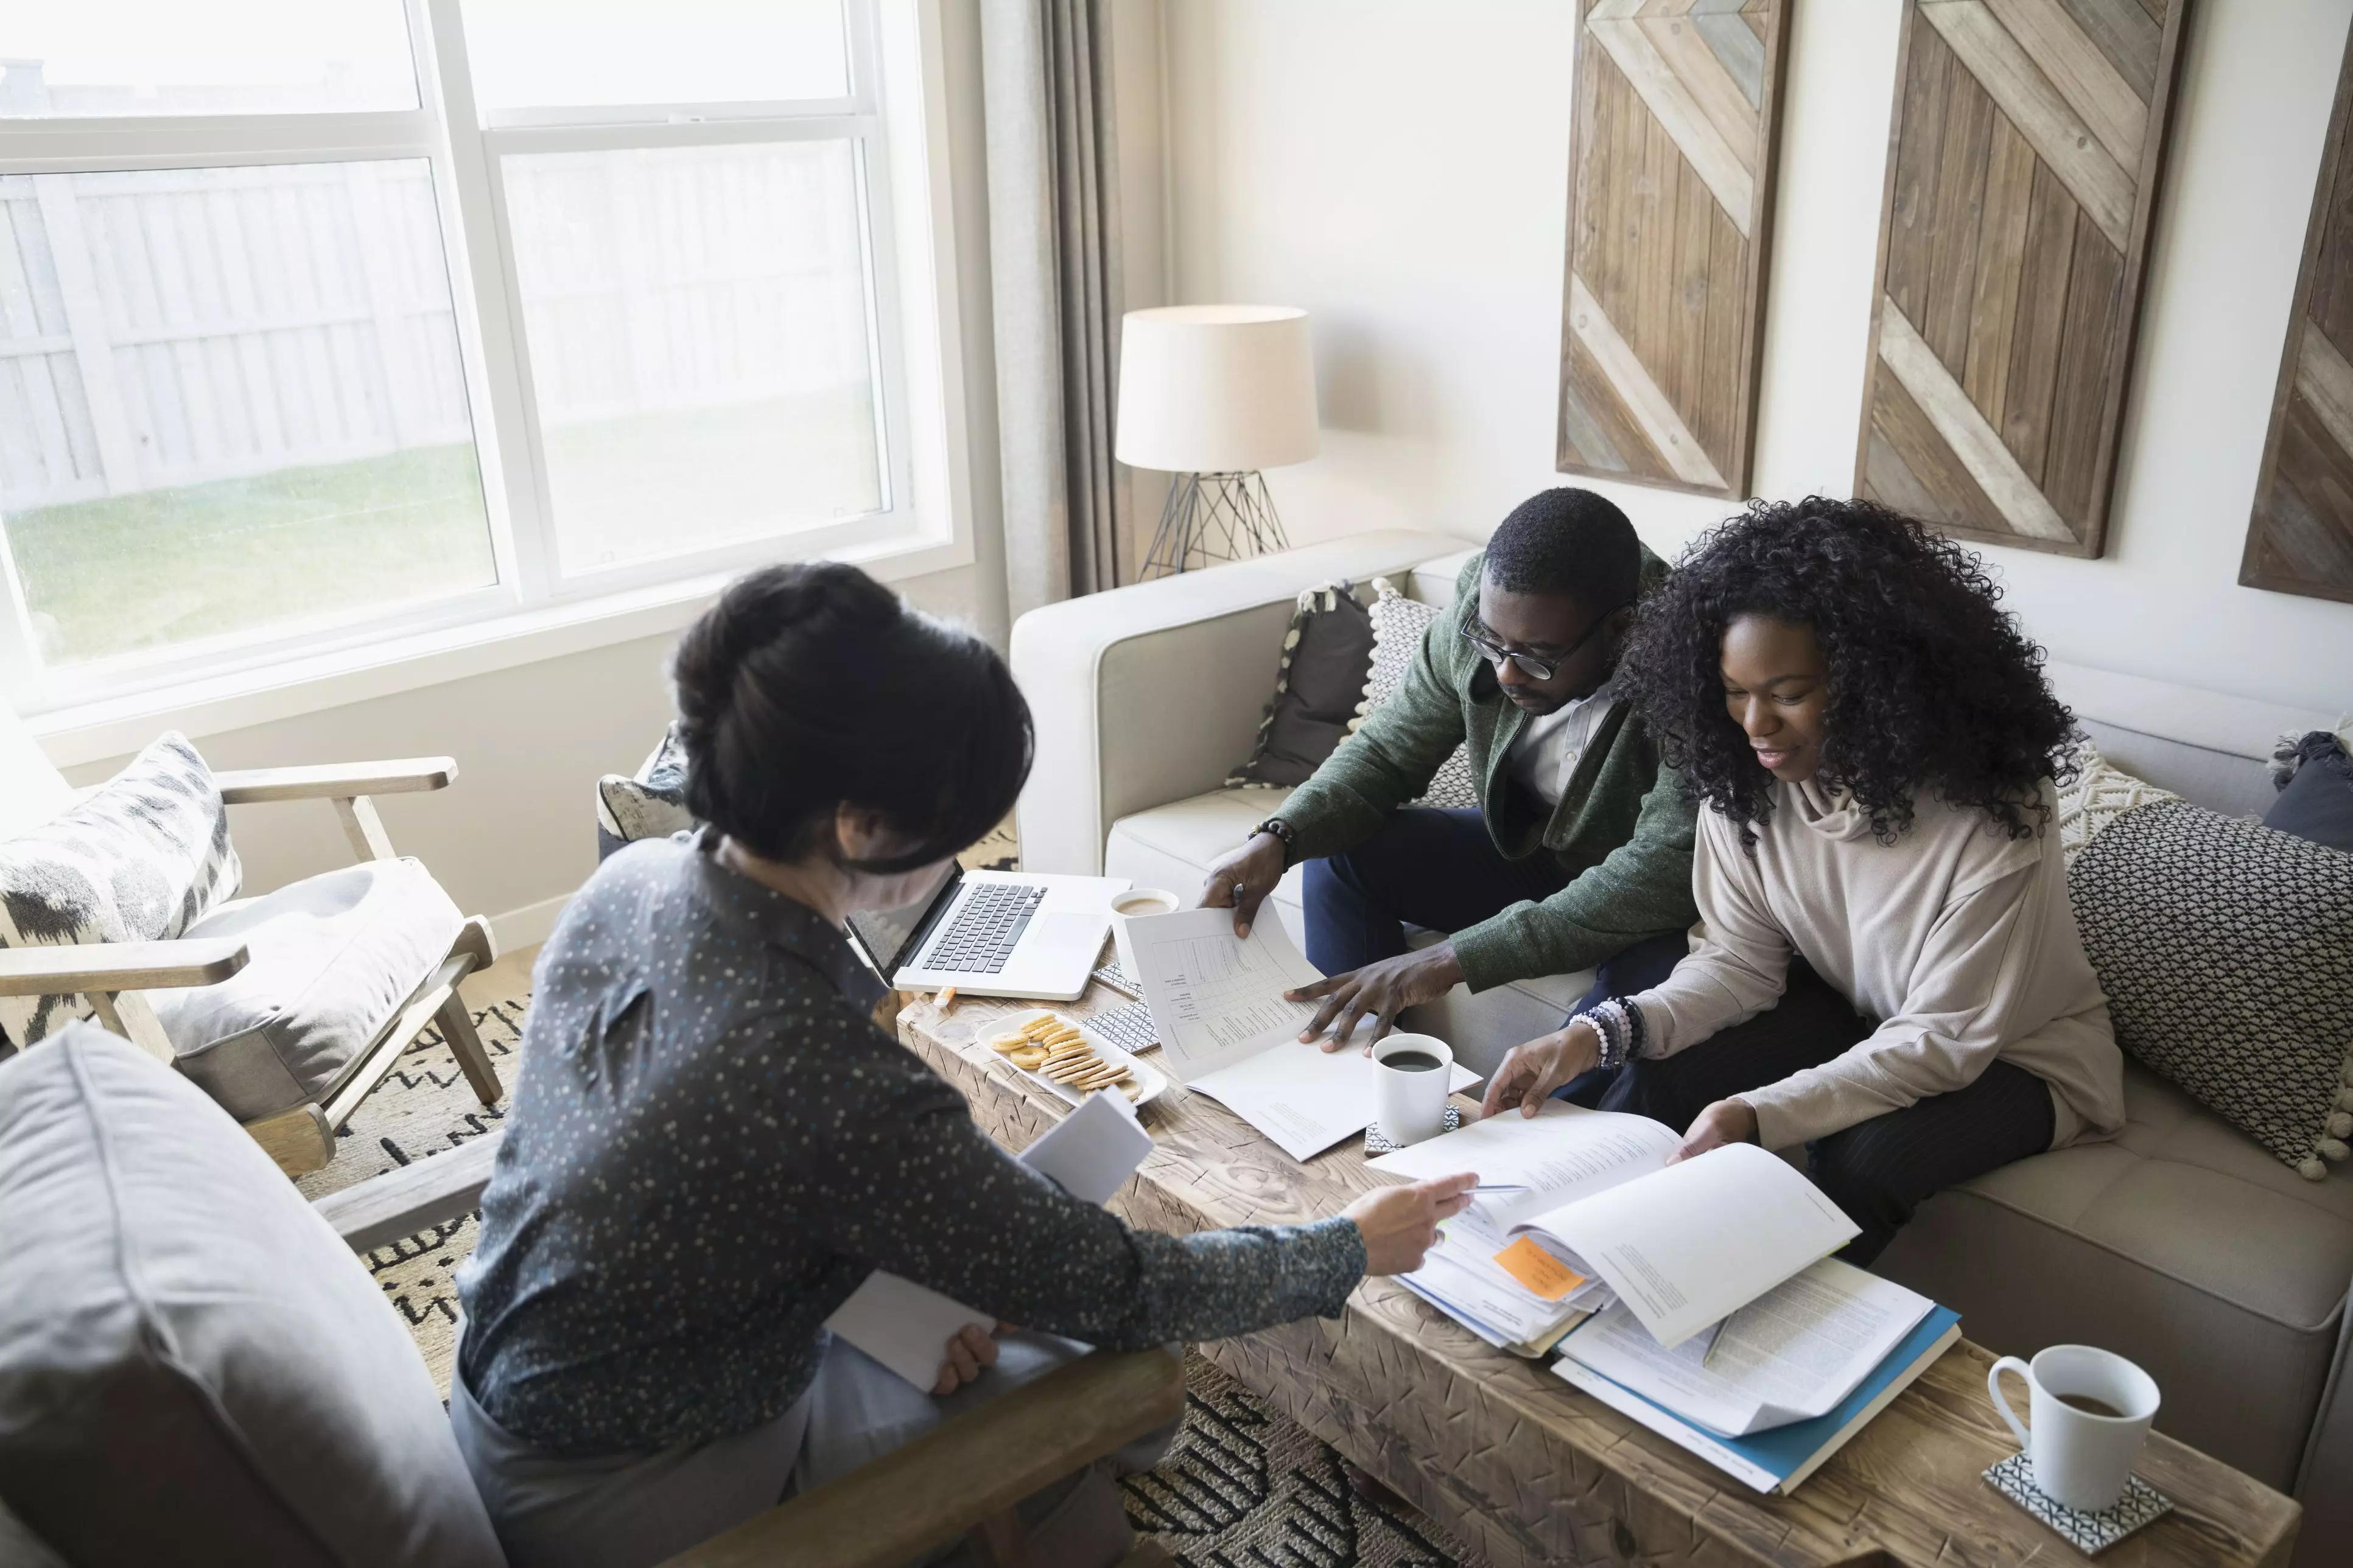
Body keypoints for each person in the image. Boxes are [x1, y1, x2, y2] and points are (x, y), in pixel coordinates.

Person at [450, 562, 1476, 1568]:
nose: (965, 855)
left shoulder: (631, 881)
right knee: (1122, 1373)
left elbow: (693, 1174)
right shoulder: (823, 1076)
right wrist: (1346, 1246)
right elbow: (1119, 1286)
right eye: (958, 829)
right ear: (858, 826)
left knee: (998, 1323)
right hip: (642, 1495)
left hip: (522, 1390)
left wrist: (887, 1300)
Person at [1479, 499, 2127, 1263]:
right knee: (1650, 1078)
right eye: (1732, 690)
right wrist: (1596, 1033)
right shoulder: (1743, 778)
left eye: (1787, 694)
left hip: (2014, 1054)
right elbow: (1738, 962)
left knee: (1861, 1160)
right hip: (1857, 1010)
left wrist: (1757, 1112)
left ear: (1873, 680)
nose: (1754, 724)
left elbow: (1940, 1040)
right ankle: (1587, 1278)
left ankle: (1766, 1348)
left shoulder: (1990, 810)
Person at [1198, 487, 1700, 1054]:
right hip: (1539, 856)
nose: (1507, 674)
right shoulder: (1480, 618)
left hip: (1652, 904)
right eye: (1493, 644)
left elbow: (1658, 873)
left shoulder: (1693, 666)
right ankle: (1352, 1077)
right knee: (1340, 851)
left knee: (1617, 1031)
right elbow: (1389, 751)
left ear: (1622, 629)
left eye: (1537, 656)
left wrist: (1447, 960)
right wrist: (1278, 837)